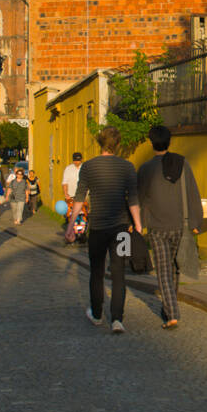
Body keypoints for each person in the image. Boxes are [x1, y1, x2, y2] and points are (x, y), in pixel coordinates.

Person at [66, 127, 142, 335]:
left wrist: (72, 225)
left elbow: (79, 198)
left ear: (100, 143)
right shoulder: (127, 167)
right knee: (119, 274)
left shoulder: (88, 167)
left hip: (98, 228)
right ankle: (117, 319)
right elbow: (133, 199)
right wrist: (138, 224)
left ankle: (97, 314)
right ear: (117, 144)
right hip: (121, 229)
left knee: (96, 272)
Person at [136, 125, 205, 330]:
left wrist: (137, 224)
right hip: (180, 226)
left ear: (151, 143)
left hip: (157, 227)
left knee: (164, 271)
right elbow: (193, 192)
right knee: (174, 269)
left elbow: (140, 198)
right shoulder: (183, 164)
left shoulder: (146, 169)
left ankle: (172, 313)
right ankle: (169, 308)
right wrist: (195, 222)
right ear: (169, 141)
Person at [60, 153, 82, 221]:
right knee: (69, 215)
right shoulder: (68, 168)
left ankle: (82, 229)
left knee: (82, 214)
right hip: (71, 196)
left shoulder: (85, 168)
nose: (77, 162)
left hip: (82, 195)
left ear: (81, 160)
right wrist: (66, 194)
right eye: (75, 160)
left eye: (78, 160)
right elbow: (65, 182)